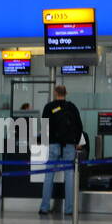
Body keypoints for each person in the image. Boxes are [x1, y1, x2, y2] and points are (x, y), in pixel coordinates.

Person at [39, 85, 85, 216]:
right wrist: (76, 142)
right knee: (69, 176)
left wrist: (45, 141)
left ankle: (44, 208)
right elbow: (79, 126)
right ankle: (69, 209)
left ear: (55, 93)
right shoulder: (71, 107)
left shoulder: (49, 107)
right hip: (69, 145)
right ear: (66, 93)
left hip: (53, 144)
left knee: (49, 176)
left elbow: (44, 126)